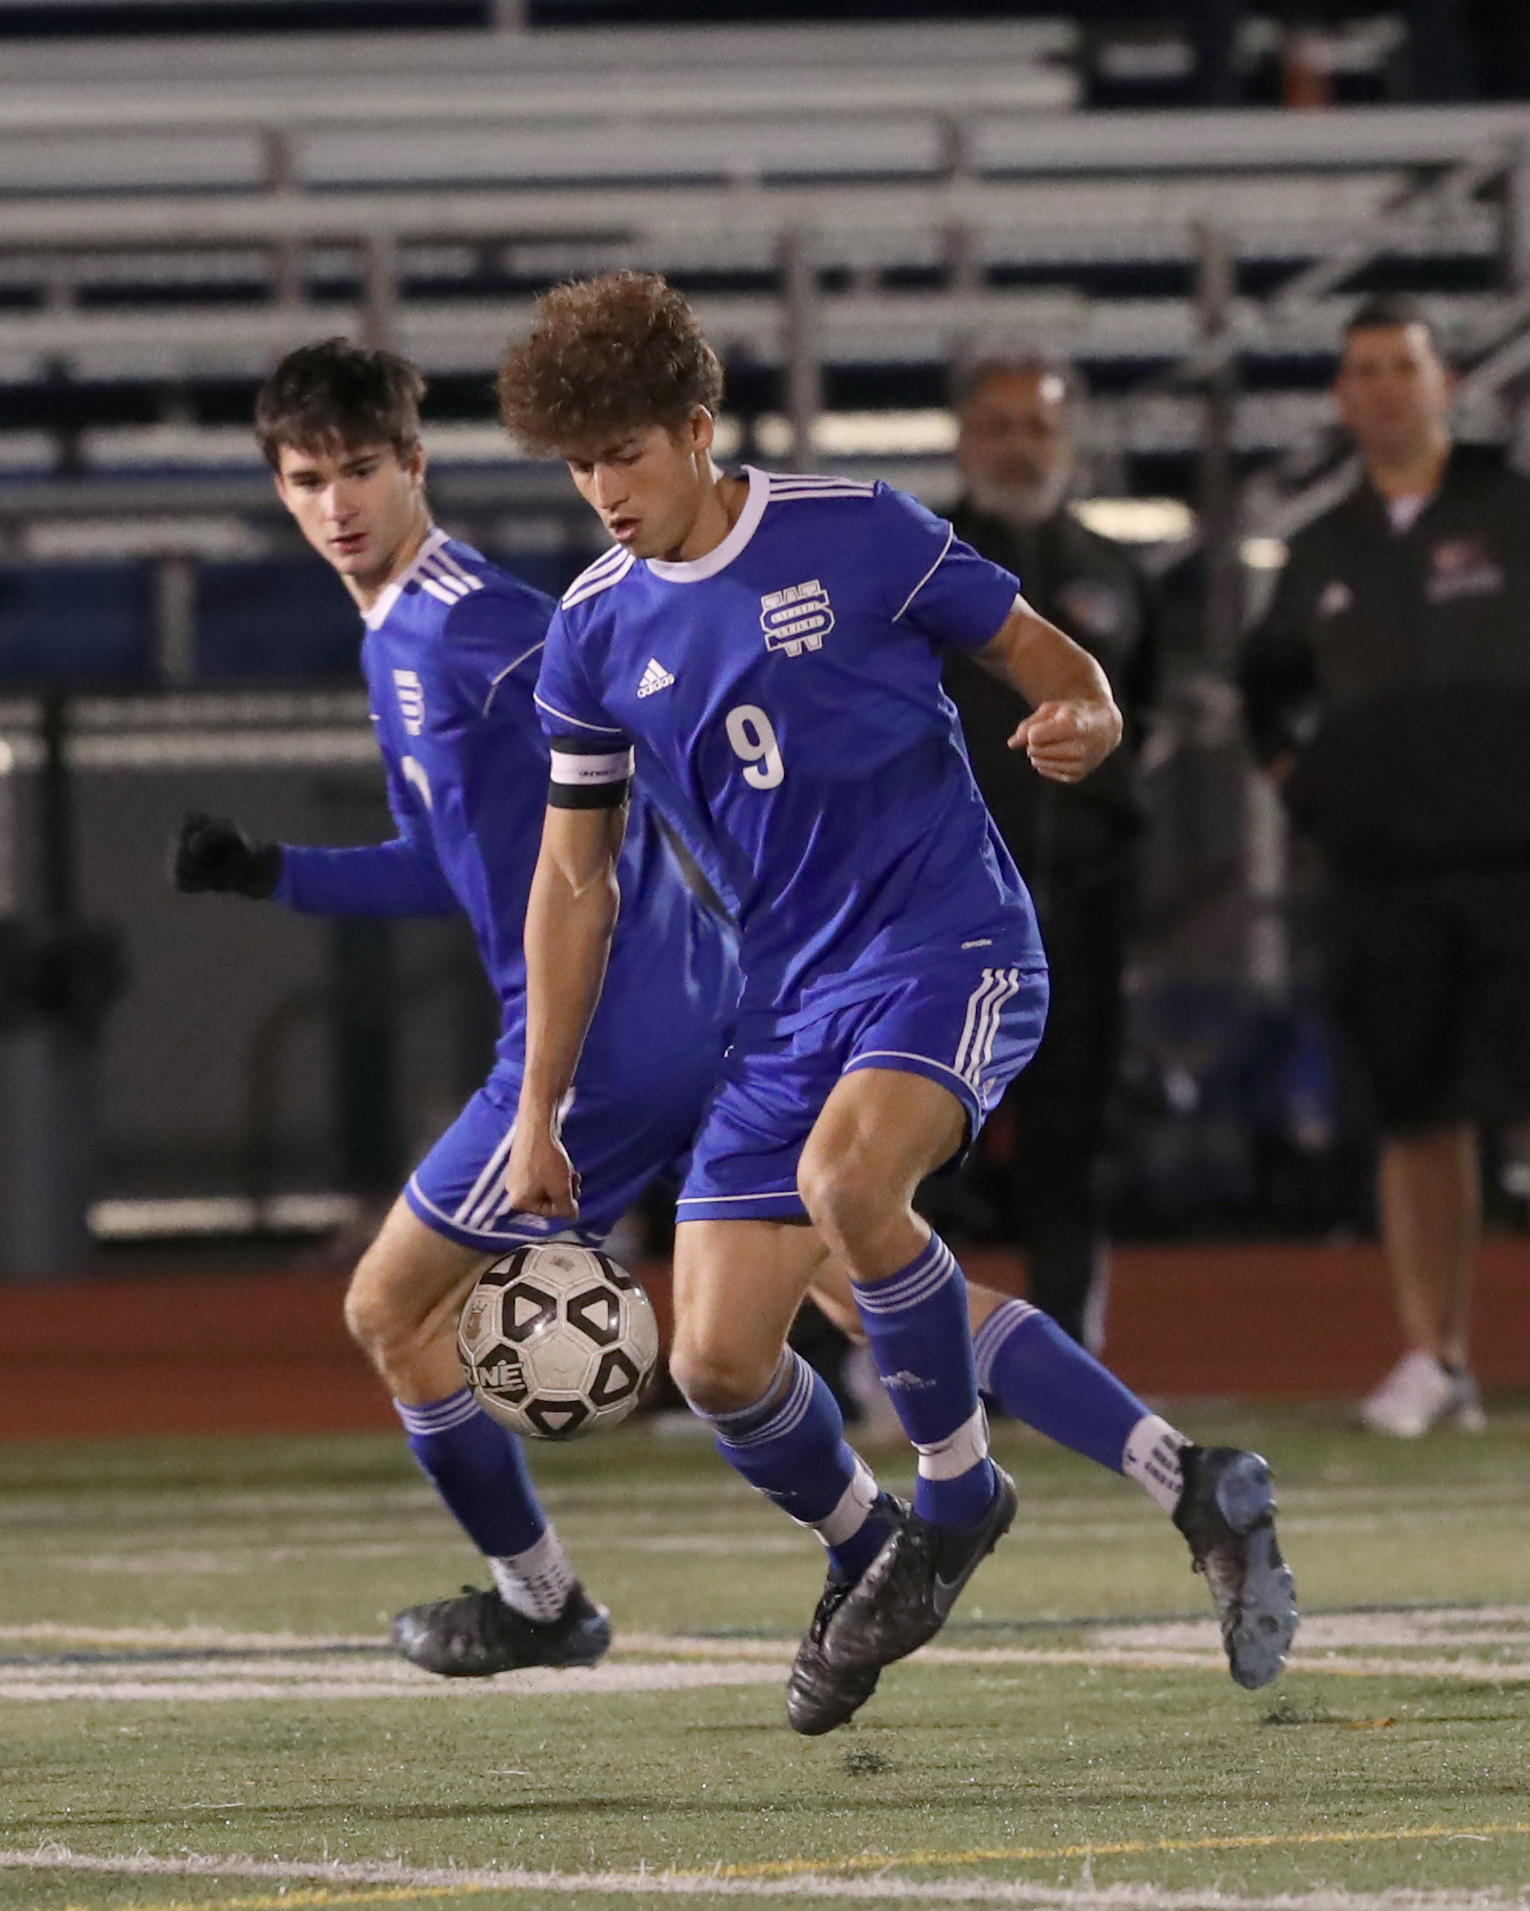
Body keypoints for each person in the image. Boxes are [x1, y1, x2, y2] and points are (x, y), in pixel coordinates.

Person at [498, 272, 1296, 1734]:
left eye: (624, 452)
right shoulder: (591, 631)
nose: (602, 489)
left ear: (697, 427)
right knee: (719, 1356)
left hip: (948, 946)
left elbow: (1055, 660)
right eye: (577, 463)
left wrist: (1087, 714)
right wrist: (537, 1104)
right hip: (787, 1005)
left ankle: (951, 1501)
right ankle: (1142, 1491)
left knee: (852, 1189)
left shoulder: (855, 527)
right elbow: (572, 880)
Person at [171, 337, 739, 1676]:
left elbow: (642, 716)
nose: (338, 504)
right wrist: (272, 871)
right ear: (280, 490)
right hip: (677, 1014)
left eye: (362, 469)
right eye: (307, 480)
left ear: (415, 464)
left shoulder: (470, 625)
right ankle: (1125, 1475)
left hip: (596, 1042)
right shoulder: (402, 639)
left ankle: (544, 1600)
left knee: (392, 1310)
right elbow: (446, 863)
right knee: (829, 1278)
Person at [1240, 293, 1530, 1437]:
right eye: (1362, 369)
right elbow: (1267, 695)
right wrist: (1310, 789)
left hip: (1519, 862)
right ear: (1339, 396)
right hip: (1386, 879)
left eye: (1402, 366)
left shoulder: (1513, 511)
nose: (1383, 388)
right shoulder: (1318, 549)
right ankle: (1435, 1357)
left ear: (1445, 384)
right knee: (1416, 1115)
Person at [937, 354, 1157, 1349]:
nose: (1019, 447)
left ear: (1069, 441)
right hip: (938, 906)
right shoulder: (912, 566)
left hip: (1079, 901)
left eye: (1038, 426)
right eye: (999, 425)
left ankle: (1066, 1349)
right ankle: (902, 1356)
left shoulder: (1116, 573)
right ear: (963, 439)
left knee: (1074, 1130)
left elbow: (1140, 720)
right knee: (916, 1135)